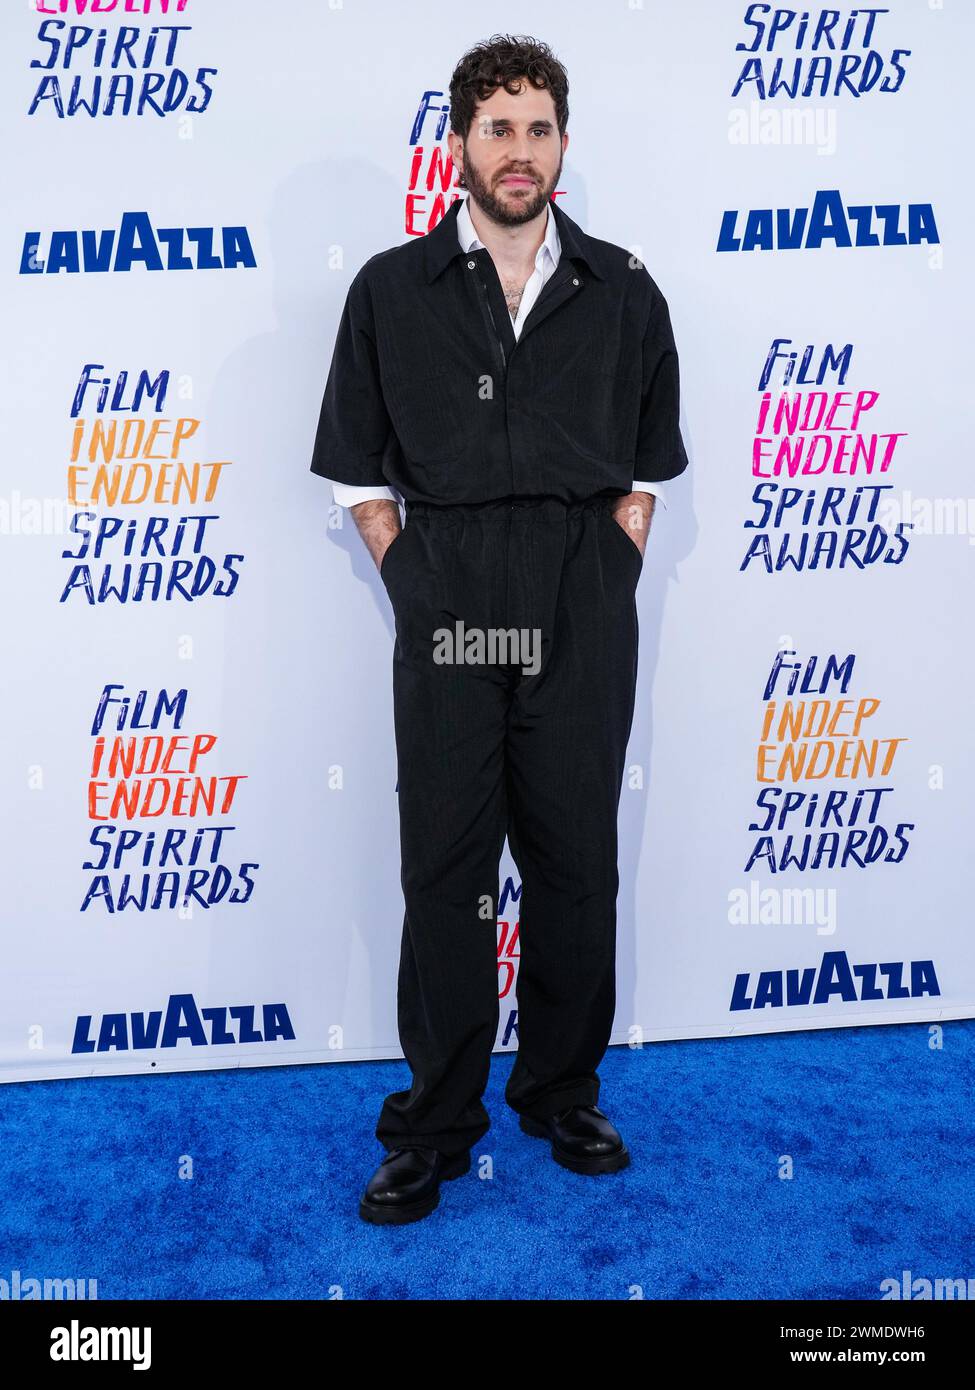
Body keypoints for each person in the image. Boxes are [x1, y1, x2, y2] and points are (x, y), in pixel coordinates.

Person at [310, 33, 689, 1225]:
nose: (516, 151)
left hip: (580, 597)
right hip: (454, 595)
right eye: (495, 127)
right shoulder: (391, 289)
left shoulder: (623, 288)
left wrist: (610, 557)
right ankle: (435, 1119)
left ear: (562, 146)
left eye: (536, 128)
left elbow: (650, 463)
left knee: (576, 859)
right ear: (459, 145)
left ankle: (562, 1090)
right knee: (450, 867)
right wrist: (415, 573)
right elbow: (354, 468)